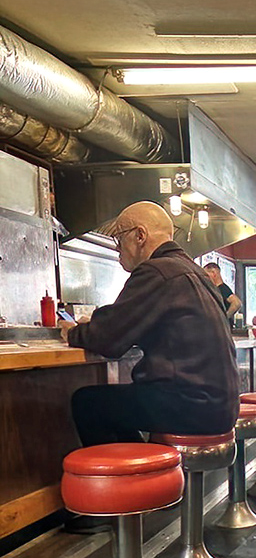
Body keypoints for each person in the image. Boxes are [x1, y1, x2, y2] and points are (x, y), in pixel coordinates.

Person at [58, 201, 240, 528]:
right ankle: (148, 479)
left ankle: (120, 499)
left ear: (139, 236)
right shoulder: (194, 273)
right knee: (116, 403)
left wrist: (73, 331)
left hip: (190, 404)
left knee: (88, 402)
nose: (117, 250)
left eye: (119, 240)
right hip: (218, 405)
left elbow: (107, 339)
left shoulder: (156, 271)